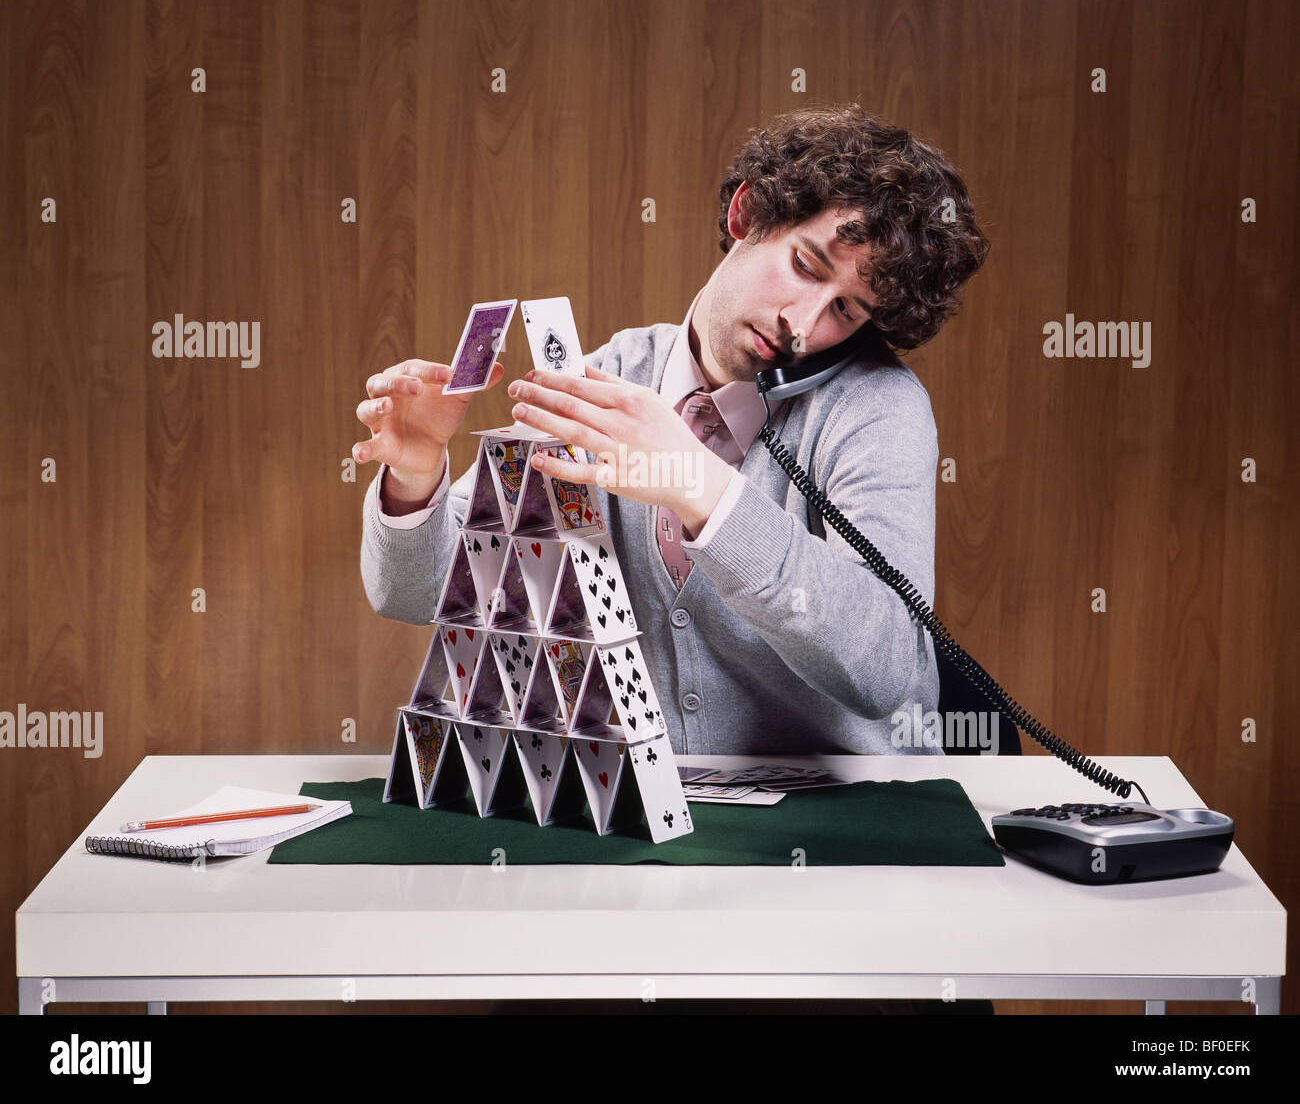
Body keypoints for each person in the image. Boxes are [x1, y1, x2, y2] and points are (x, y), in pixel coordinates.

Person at [355, 103, 989, 758]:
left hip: (847, 831)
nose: (802, 324)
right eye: (806, 266)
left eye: (847, 310)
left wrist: (699, 486)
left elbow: (888, 665)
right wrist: (415, 475)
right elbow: (417, 593)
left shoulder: (878, 407)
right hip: (671, 830)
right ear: (748, 215)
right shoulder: (612, 374)